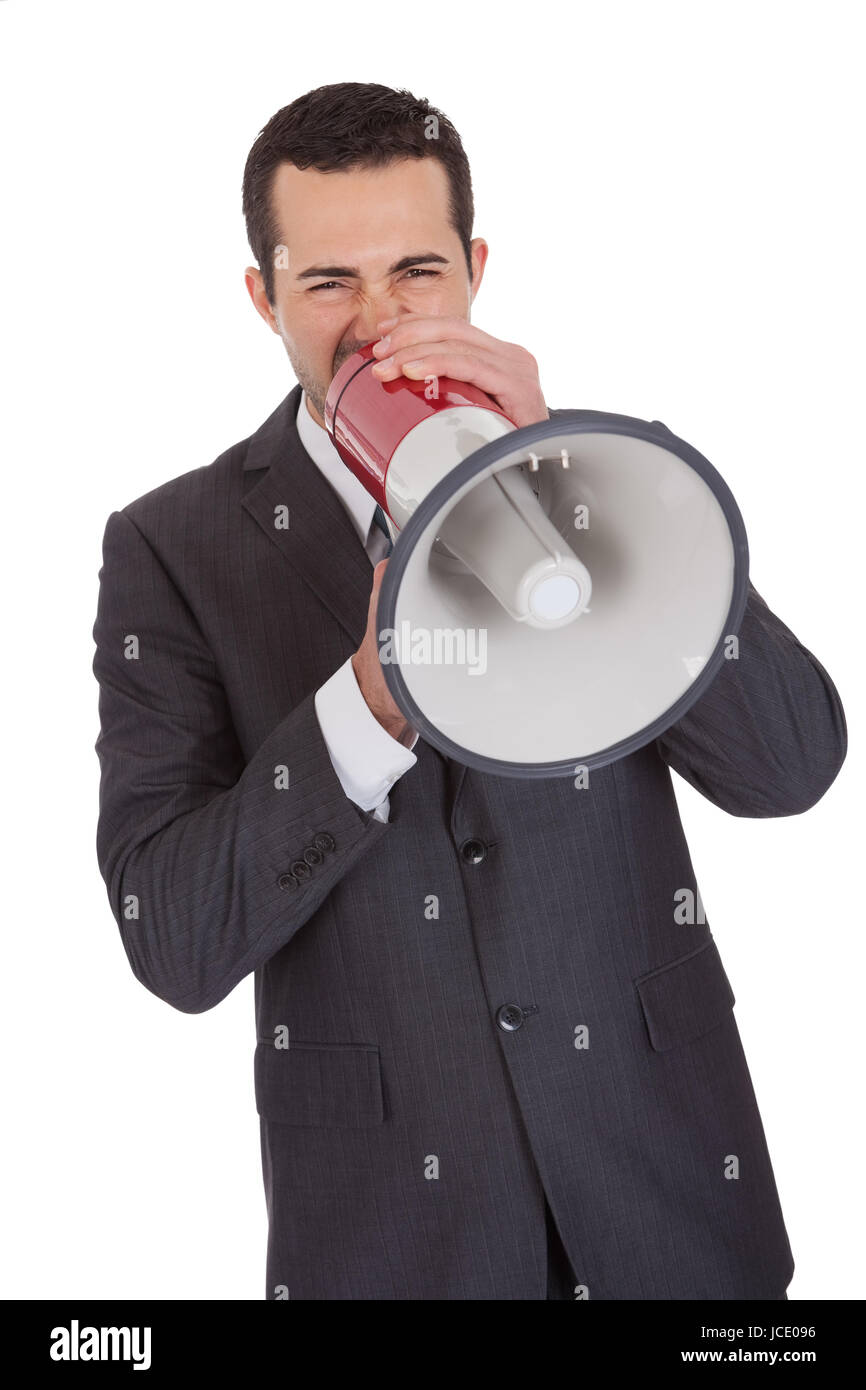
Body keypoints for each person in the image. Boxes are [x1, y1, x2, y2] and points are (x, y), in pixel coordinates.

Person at [92, 82, 847, 1300]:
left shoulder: (614, 477)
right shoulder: (174, 548)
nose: (379, 321)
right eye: (327, 282)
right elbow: (173, 937)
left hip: (671, 1215)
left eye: (416, 271)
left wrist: (568, 490)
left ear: (476, 267)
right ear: (262, 297)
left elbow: (790, 767)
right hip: (397, 1244)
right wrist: (365, 709)